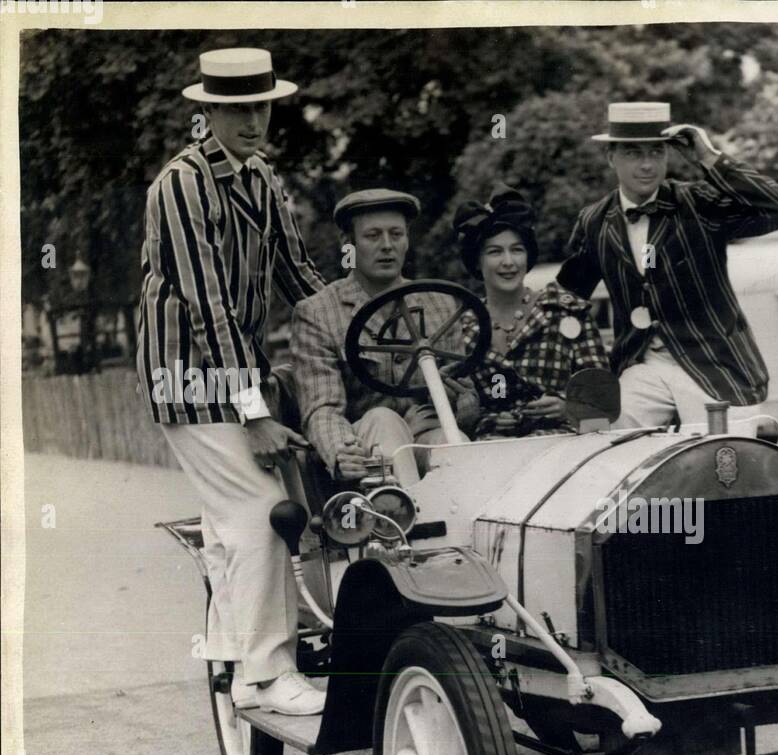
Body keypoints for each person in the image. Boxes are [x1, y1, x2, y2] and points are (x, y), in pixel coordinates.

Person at [137, 47, 326, 715]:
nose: (252, 120)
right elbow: (207, 305)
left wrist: (358, 326)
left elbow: (301, 278)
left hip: (233, 368)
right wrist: (254, 414)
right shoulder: (182, 184)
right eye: (236, 108)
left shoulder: (263, 180)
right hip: (186, 376)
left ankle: (227, 647)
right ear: (208, 111)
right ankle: (265, 675)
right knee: (258, 511)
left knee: (234, 521)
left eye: (261, 105)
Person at [557, 101, 778, 429]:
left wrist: (708, 156)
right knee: (608, 438)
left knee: (730, 458)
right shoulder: (594, 220)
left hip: (715, 366)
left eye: (656, 152)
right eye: (633, 154)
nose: (646, 165)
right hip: (643, 366)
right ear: (610, 157)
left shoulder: (698, 203)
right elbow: (568, 297)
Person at [291, 189, 480, 486]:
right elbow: (322, 408)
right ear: (348, 245)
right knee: (383, 419)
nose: (387, 246)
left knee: (454, 446)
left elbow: (465, 392)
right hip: (368, 446)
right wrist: (341, 452)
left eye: (396, 234)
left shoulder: (440, 303)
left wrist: (463, 401)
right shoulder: (318, 313)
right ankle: (402, 518)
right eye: (373, 236)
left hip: (429, 433)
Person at [451, 188, 608, 434]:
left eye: (517, 249)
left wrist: (568, 407)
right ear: (477, 262)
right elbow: (454, 412)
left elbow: (604, 401)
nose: (508, 262)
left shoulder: (567, 311)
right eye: (495, 251)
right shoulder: (461, 328)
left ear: (528, 256)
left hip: (564, 445)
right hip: (492, 452)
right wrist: (489, 421)